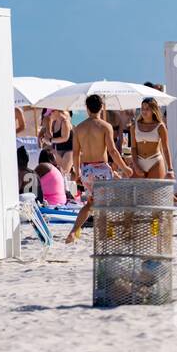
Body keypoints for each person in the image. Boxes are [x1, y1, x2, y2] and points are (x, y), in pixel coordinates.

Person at [65, 94, 133, 243]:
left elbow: (75, 153)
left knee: (89, 204)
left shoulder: (79, 128)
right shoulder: (105, 126)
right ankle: (106, 234)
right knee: (107, 204)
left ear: (87, 108)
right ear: (101, 108)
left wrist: (77, 171)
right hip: (101, 168)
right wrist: (125, 167)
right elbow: (113, 151)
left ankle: (73, 231)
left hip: (87, 170)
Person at [131, 97, 174, 180]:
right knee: (137, 192)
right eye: (142, 109)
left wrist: (170, 169)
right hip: (139, 161)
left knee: (155, 192)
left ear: (153, 110)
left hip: (155, 161)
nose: (144, 111)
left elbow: (165, 148)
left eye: (147, 109)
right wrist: (135, 166)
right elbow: (133, 148)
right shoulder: (134, 126)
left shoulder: (160, 126)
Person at [41, 108, 75, 179]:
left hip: (69, 150)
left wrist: (50, 140)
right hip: (58, 150)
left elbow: (65, 138)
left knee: (64, 173)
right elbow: (51, 137)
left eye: (50, 114)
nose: (49, 116)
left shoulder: (65, 121)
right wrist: (46, 137)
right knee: (60, 174)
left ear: (55, 111)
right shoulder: (54, 122)